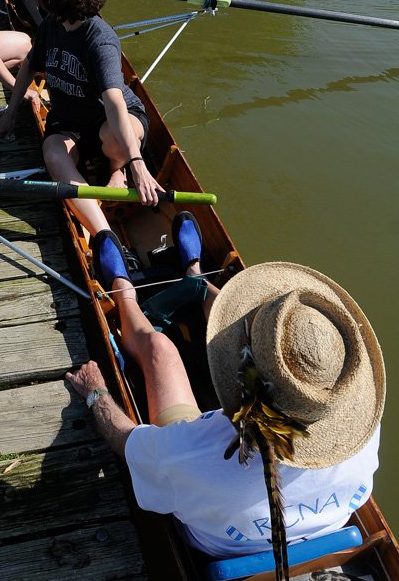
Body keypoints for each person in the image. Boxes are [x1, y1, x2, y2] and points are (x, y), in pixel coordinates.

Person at [67, 216, 385, 570]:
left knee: (159, 349)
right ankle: (196, 278)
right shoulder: (360, 429)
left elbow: (127, 441)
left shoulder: (196, 450)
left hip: (214, 549)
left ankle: (124, 293)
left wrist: (96, 393)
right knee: (208, 331)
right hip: (314, 540)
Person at [0, 0, 163, 235]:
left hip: (109, 119)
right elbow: (28, 67)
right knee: (52, 155)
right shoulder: (51, 25)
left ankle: (116, 169)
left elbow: (114, 102)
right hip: (69, 122)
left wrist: (138, 164)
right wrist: (11, 112)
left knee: (117, 139)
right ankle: (104, 234)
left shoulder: (100, 39)